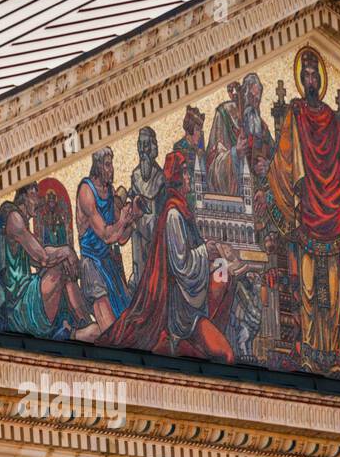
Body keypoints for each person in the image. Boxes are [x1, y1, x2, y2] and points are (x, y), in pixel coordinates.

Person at [266, 47, 340, 375]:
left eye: (314, 74)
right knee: (308, 289)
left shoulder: (332, 121)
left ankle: (337, 356)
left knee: (335, 294)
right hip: (307, 217)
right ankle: (308, 354)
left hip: (334, 218)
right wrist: (284, 202)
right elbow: (283, 163)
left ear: (320, 79)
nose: (310, 79)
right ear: (301, 78)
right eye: (306, 74)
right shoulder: (294, 114)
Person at [100, 150, 235, 362]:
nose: (189, 177)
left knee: (225, 273)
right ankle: (184, 338)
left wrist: (215, 258)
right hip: (181, 310)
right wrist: (204, 252)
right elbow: (181, 265)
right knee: (227, 356)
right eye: (186, 173)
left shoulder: (181, 210)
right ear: (179, 179)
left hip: (190, 297)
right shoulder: (173, 214)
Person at [0, 183, 98, 341]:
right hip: (14, 307)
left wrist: (66, 252)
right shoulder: (13, 218)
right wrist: (66, 251)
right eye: (34, 195)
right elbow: (42, 258)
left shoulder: (20, 223)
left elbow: (39, 255)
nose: (38, 201)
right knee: (60, 268)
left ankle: (83, 321)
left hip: (21, 294)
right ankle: (81, 324)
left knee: (63, 265)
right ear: (23, 196)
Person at [76, 147, 139, 327]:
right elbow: (105, 235)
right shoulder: (86, 191)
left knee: (127, 325)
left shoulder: (110, 192)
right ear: (97, 165)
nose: (111, 169)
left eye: (111, 164)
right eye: (107, 165)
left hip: (109, 264)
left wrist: (132, 219)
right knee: (110, 331)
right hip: (92, 267)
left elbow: (121, 238)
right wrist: (122, 221)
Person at [128, 127, 164, 293]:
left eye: (146, 146)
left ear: (153, 148)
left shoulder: (160, 177)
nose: (143, 151)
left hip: (155, 234)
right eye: (140, 146)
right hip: (139, 236)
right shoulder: (135, 175)